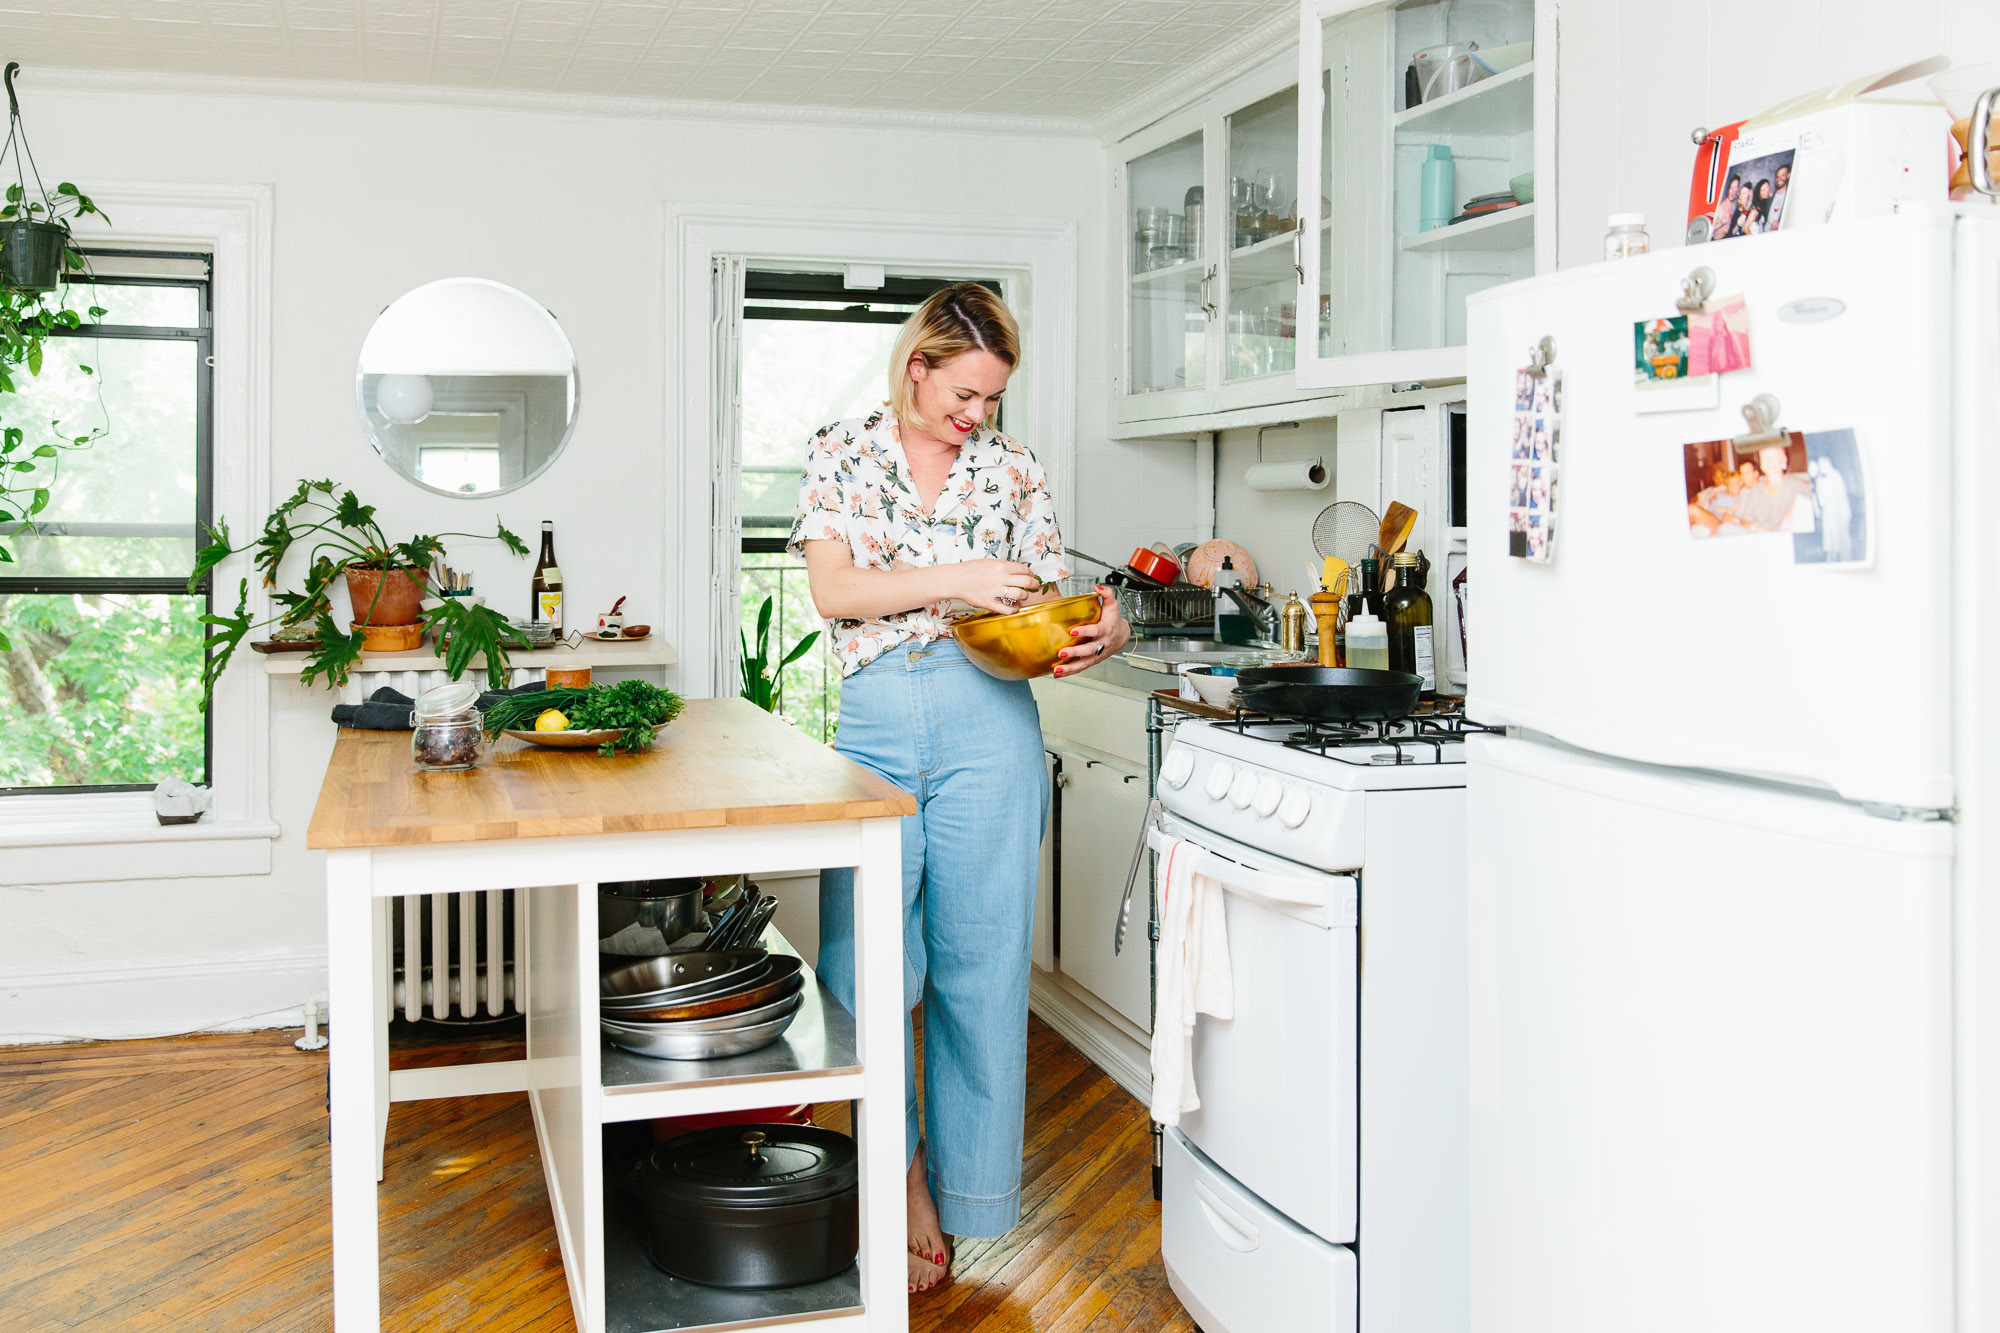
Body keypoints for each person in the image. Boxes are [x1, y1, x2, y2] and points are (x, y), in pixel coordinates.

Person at [792, 283, 1132, 1295]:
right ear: (917, 367)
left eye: (989, 400)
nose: (976, 416)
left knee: (981, 972)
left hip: (991, 721)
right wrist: (954, 579)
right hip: (878, 720)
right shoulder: (838, 452)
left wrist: (1103, 627)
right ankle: (897, 1183)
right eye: (964, 394)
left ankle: (973, 1195)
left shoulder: (1013, 467)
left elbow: (1042, 602)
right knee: (865, 972)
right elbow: (834, 590)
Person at [1732, 443, 1816, 533]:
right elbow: (1745, 520)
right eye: (1765, 458)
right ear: (1761, 464)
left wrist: (1793, 511)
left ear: (1783, 461)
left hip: (1786, 535)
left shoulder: (1796, 485)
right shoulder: (1756, 490)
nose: (1769, 461)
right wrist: (1756, 527)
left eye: (1774, 457)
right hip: (1758, 536)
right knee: (1725, 528)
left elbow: (1814, 502)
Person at [1712, 172, 1741, 238]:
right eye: (1731, 188)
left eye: (1736, 187)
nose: (1733, 191)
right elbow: (1710, 228)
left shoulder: (1733, 206)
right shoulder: (1721, 207)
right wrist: (1721, 223)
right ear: (1728, 189)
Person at [1769, 163, 1790, 229]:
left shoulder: (1790, 197)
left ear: (1788, 175)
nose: (1779, 179)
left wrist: (1781, 224)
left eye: (1782, 175)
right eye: (1777, 176)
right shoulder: (1770, 197)